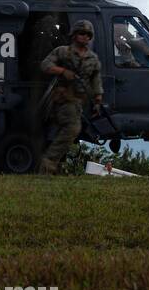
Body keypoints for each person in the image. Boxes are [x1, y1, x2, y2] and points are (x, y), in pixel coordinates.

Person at [38, 19, 103, 174]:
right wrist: (62, 71)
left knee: (63, 134)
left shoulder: (92, 59)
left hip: (78, 103)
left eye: (88, 34)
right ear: (74, 35)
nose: (85, 37)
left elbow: (96, 81)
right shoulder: (62, 52)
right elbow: (45, 65)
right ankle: (48, 164)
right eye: (81, 33)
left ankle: (57, 167)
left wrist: (98, 101)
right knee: (73, 128)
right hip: (61, 100)